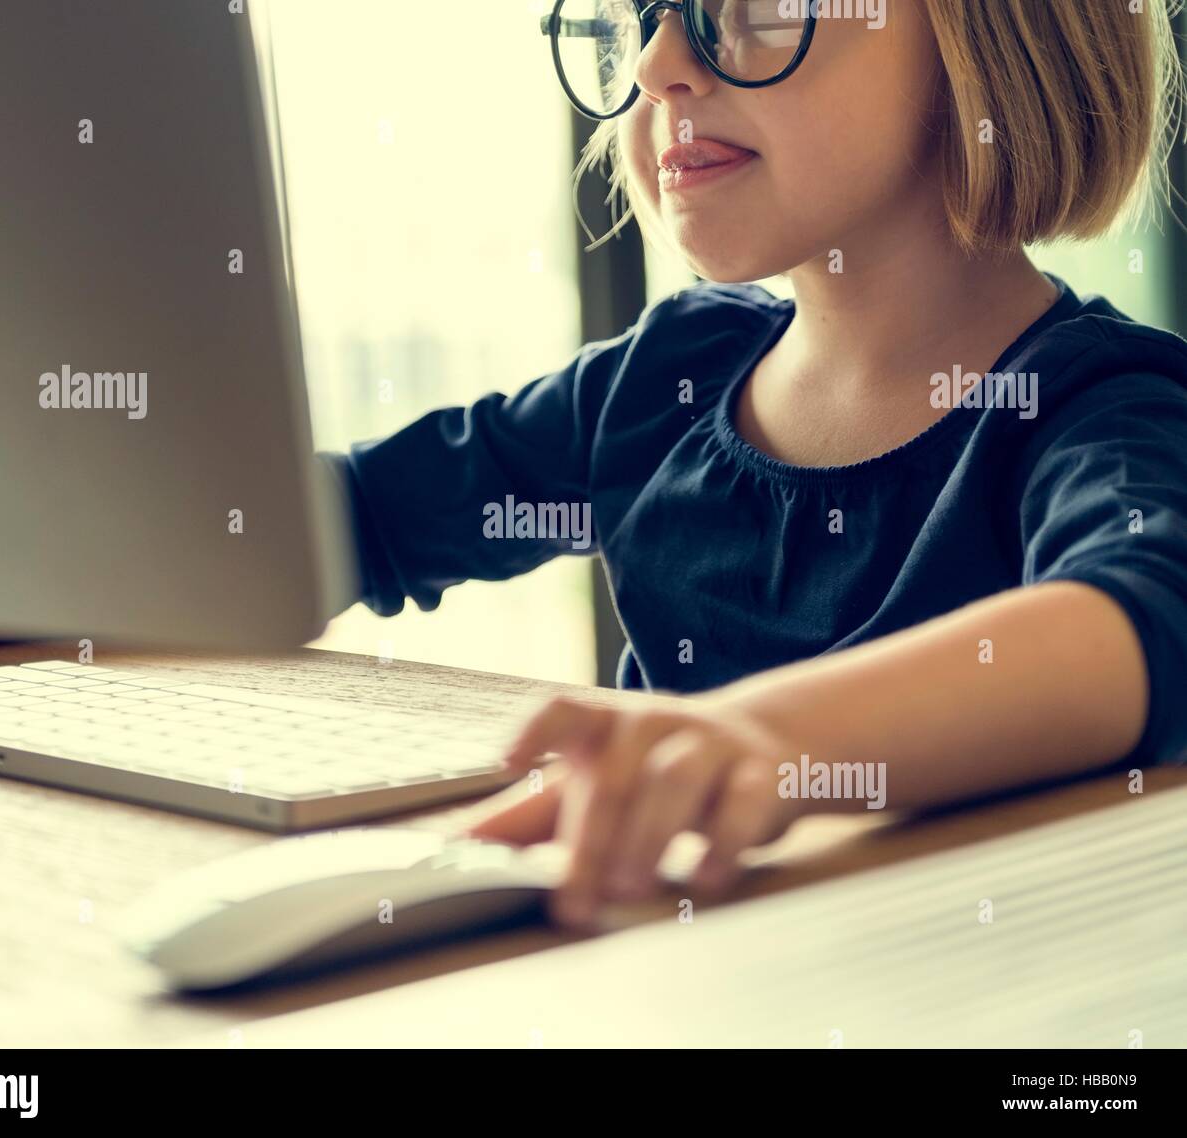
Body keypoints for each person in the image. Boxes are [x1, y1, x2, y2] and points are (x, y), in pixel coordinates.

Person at [327, 2, 1187, 925]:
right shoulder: (669, 377)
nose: (657, 66)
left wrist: (765, 740)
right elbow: (349, 521)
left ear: (989, 42)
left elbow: (1140, 625)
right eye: (634, 20)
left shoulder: (1100, 406)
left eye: (757, 10)